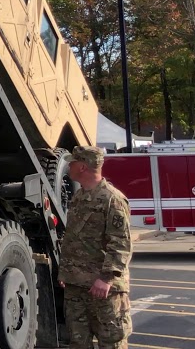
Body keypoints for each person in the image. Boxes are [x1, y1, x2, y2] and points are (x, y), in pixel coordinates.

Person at [58, 145, 133, 348]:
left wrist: (106, 278)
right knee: (78, 342)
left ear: (82, 167)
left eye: (72, 163)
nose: (69, 166)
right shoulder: (79, 197)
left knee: (111, 342)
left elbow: (121, 244)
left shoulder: (112, 199)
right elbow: (74, 238)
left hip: (103, 289)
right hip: (77, 286)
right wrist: (67, 273)